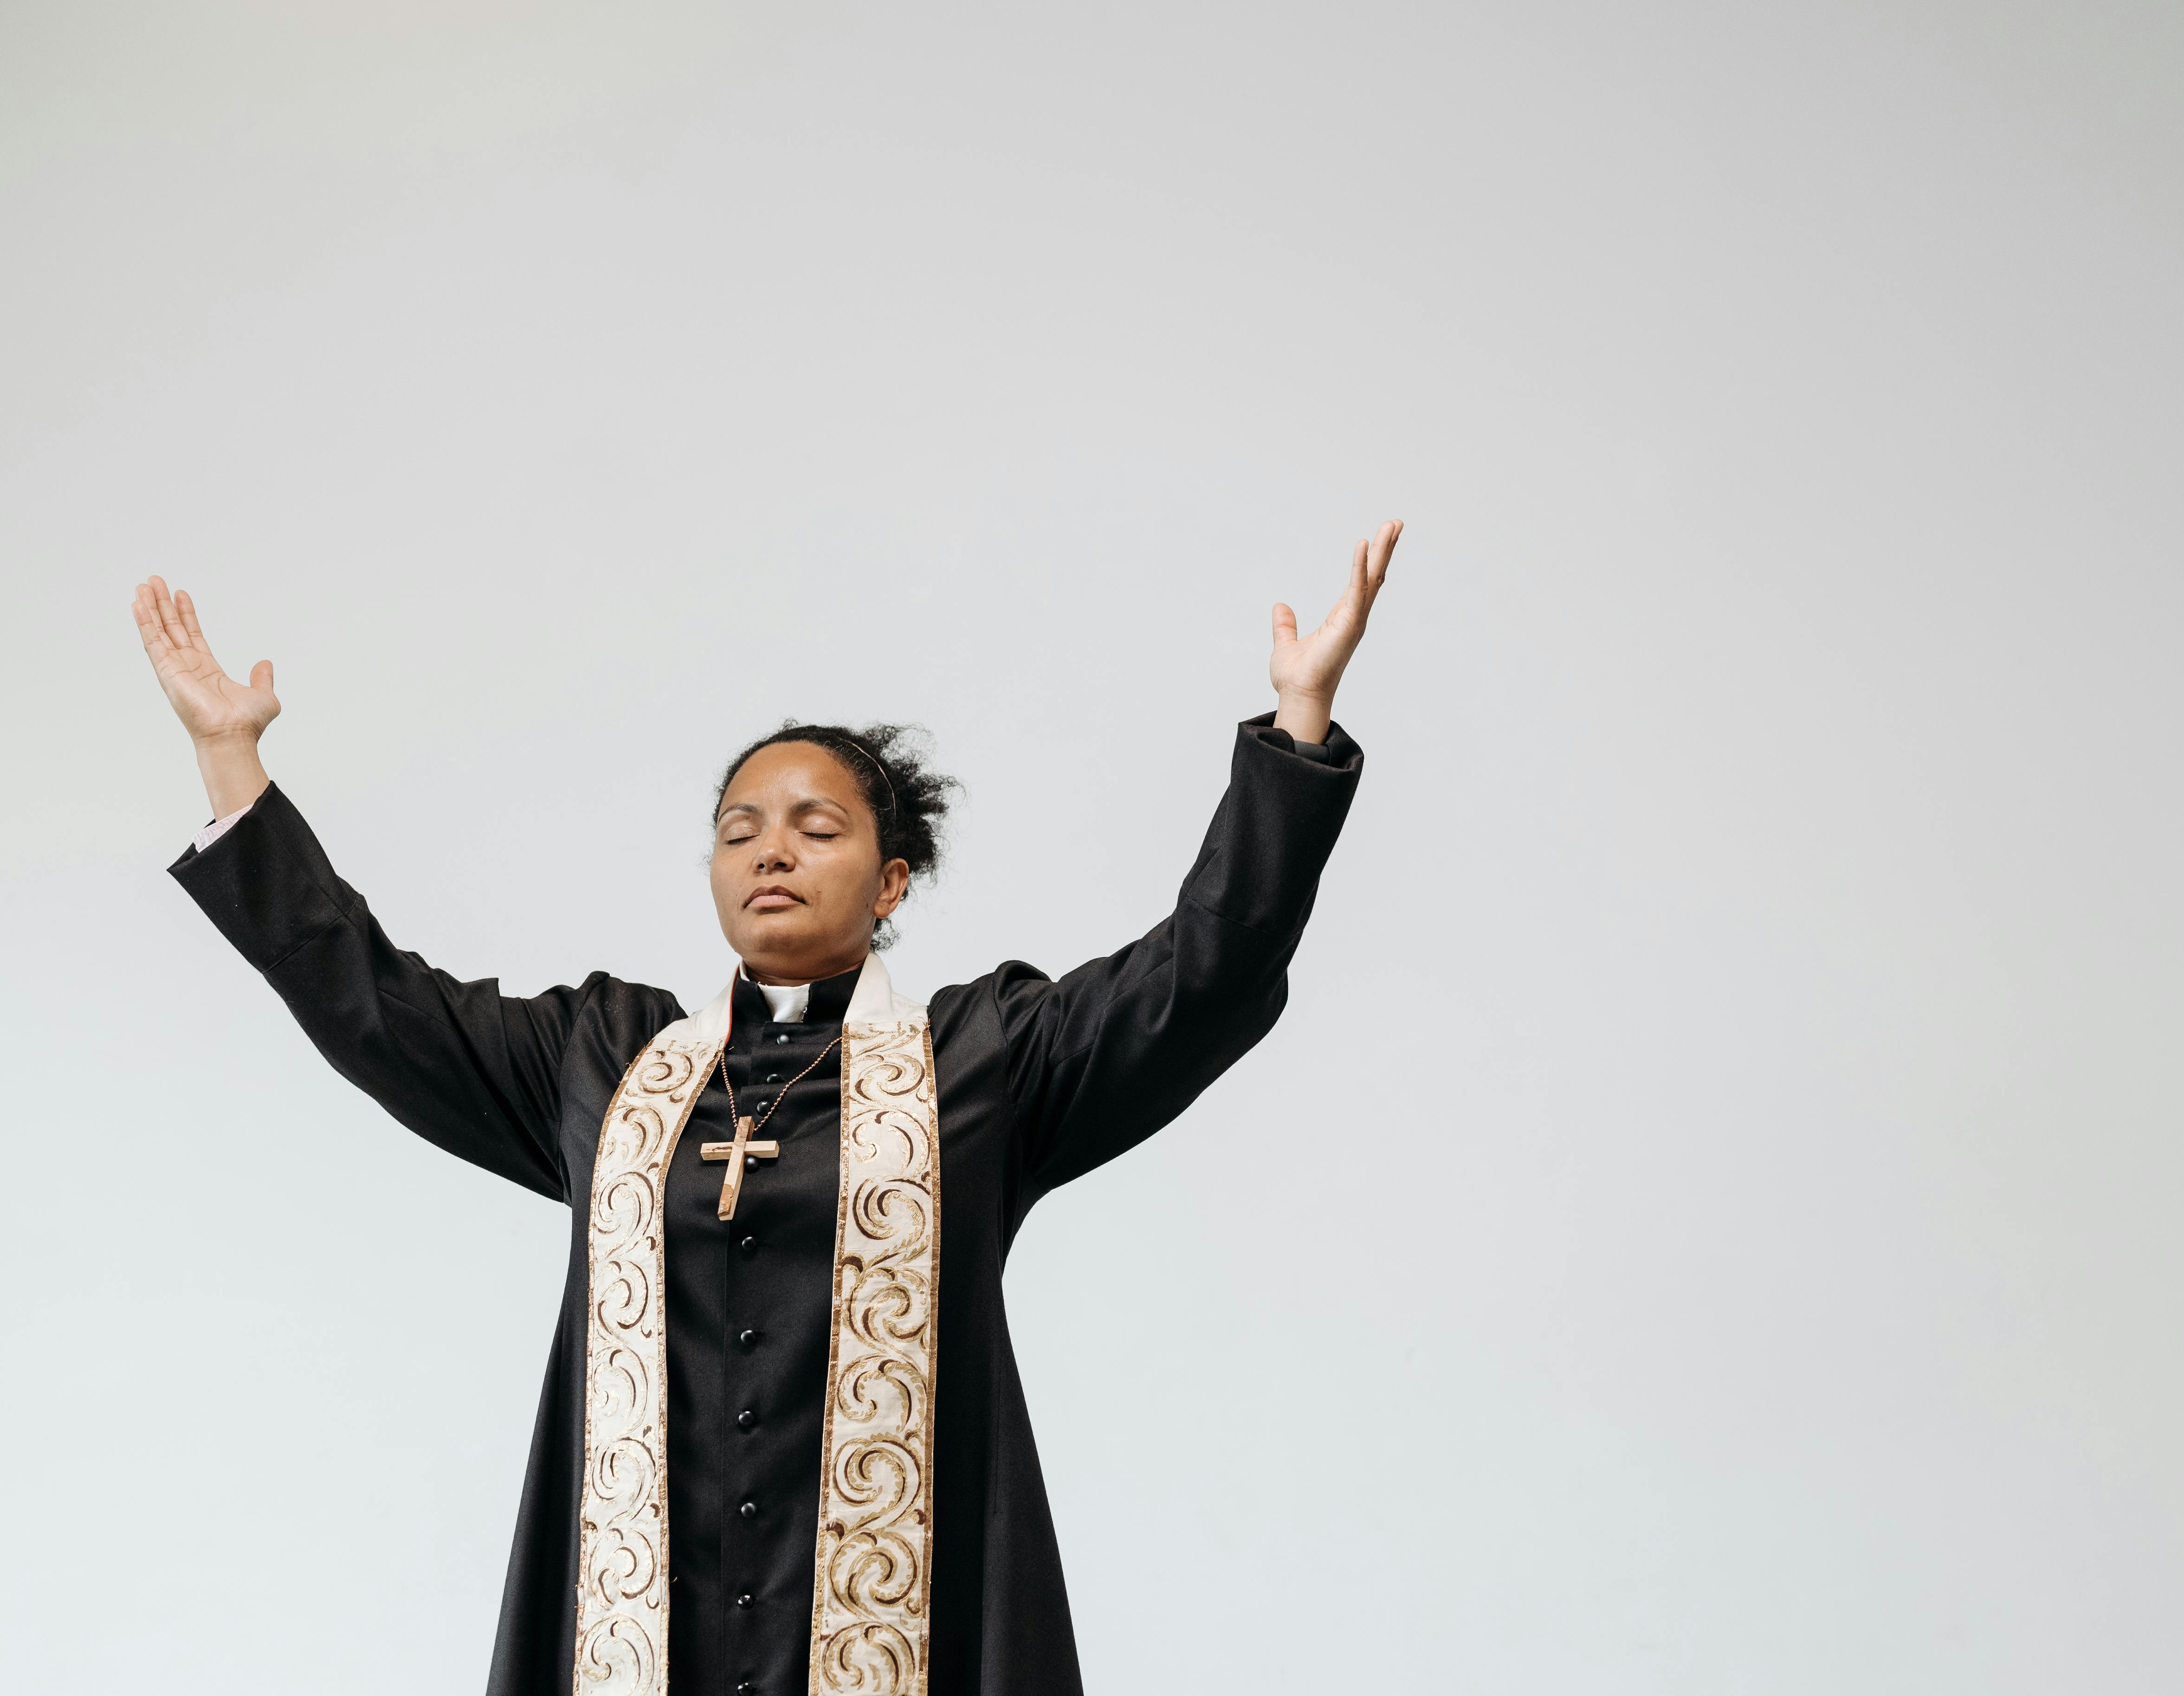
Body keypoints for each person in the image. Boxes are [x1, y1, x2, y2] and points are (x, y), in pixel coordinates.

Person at [131, 521, 1398, 1696]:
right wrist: (229, 761)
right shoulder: (605, 1064)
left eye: (813, 827)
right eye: (738, 831)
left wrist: (1294, 731)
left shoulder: (986, 1061)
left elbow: (1203, 973)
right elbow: (373, 1002)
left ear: (892, 877)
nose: (768, 852)